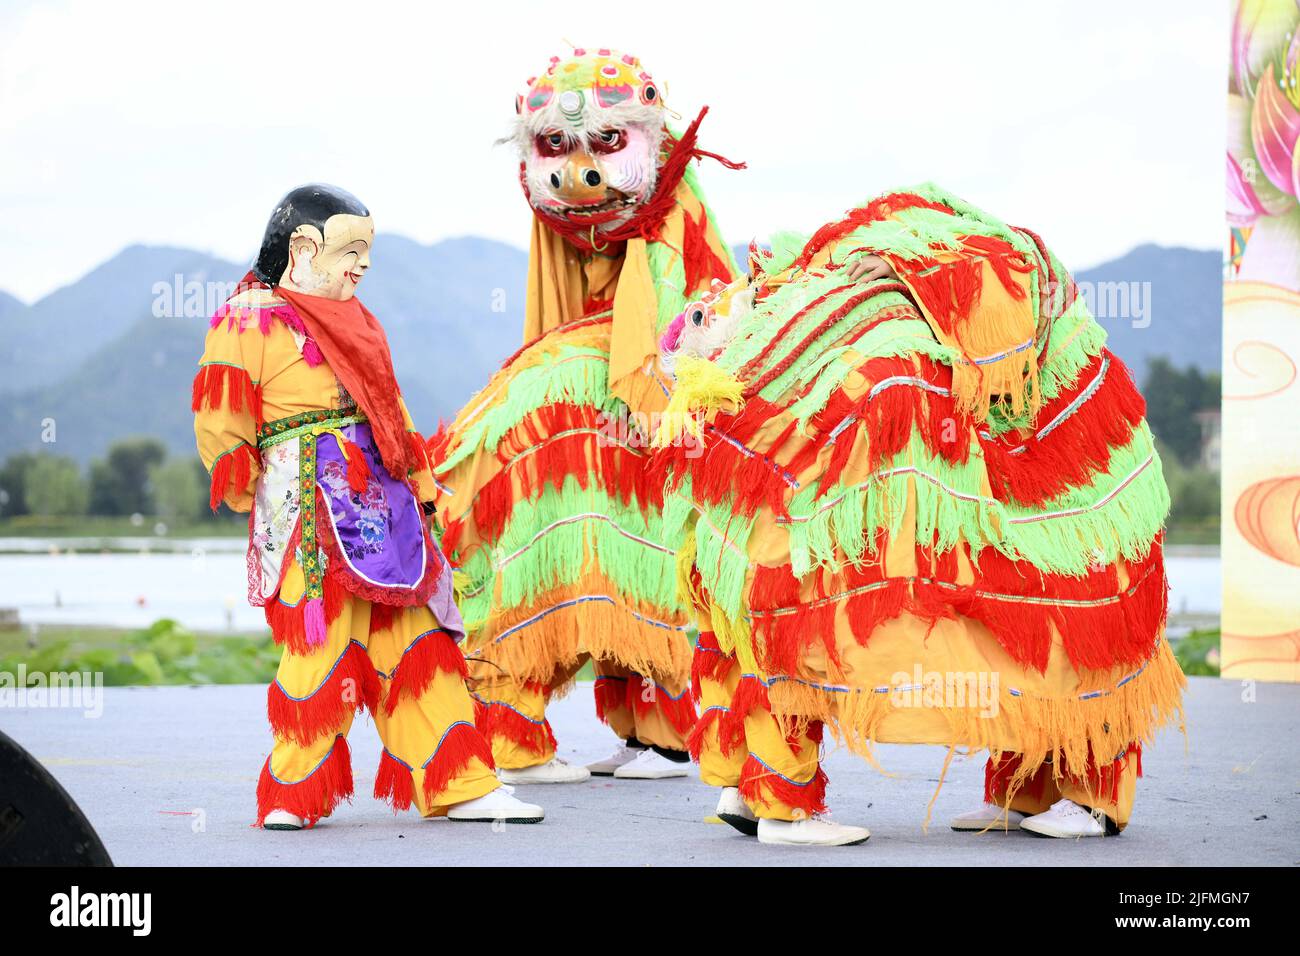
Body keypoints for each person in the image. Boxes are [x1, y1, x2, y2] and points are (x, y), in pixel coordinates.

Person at [655, 186, 1185, 845]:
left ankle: (1073, 793)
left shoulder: (934, 295)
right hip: (871, 447)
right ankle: (769, 793)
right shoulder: (811, 313)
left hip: (1056, 461)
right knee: (790, 609)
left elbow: (1011, 303)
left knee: (1057, 618)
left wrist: (917, 278)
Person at [429, 49, 741, 783]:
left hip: (657, 401)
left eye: (606, 143)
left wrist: (653, 398)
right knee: (598, 546)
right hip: (587, 398)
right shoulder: (567, 235)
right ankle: (641, 732)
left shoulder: (675, 217)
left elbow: (684, 325)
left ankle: (657, 732)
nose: (579, 169)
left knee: (640, 549)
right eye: (555, 148)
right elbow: (554, 316)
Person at [193, 183, 543, 828]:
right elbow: (223, 415)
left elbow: (391, 411)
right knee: (319, 639)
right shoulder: (250, 318)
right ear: (302, 246)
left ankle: (460, 782)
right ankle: (293, 794)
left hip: (382, 509)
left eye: (366, 256)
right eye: (349, 251)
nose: (360, 267)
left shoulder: (361, 322)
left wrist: (424, 484)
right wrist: (245, 483)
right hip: (306, 505)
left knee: (417, 641)